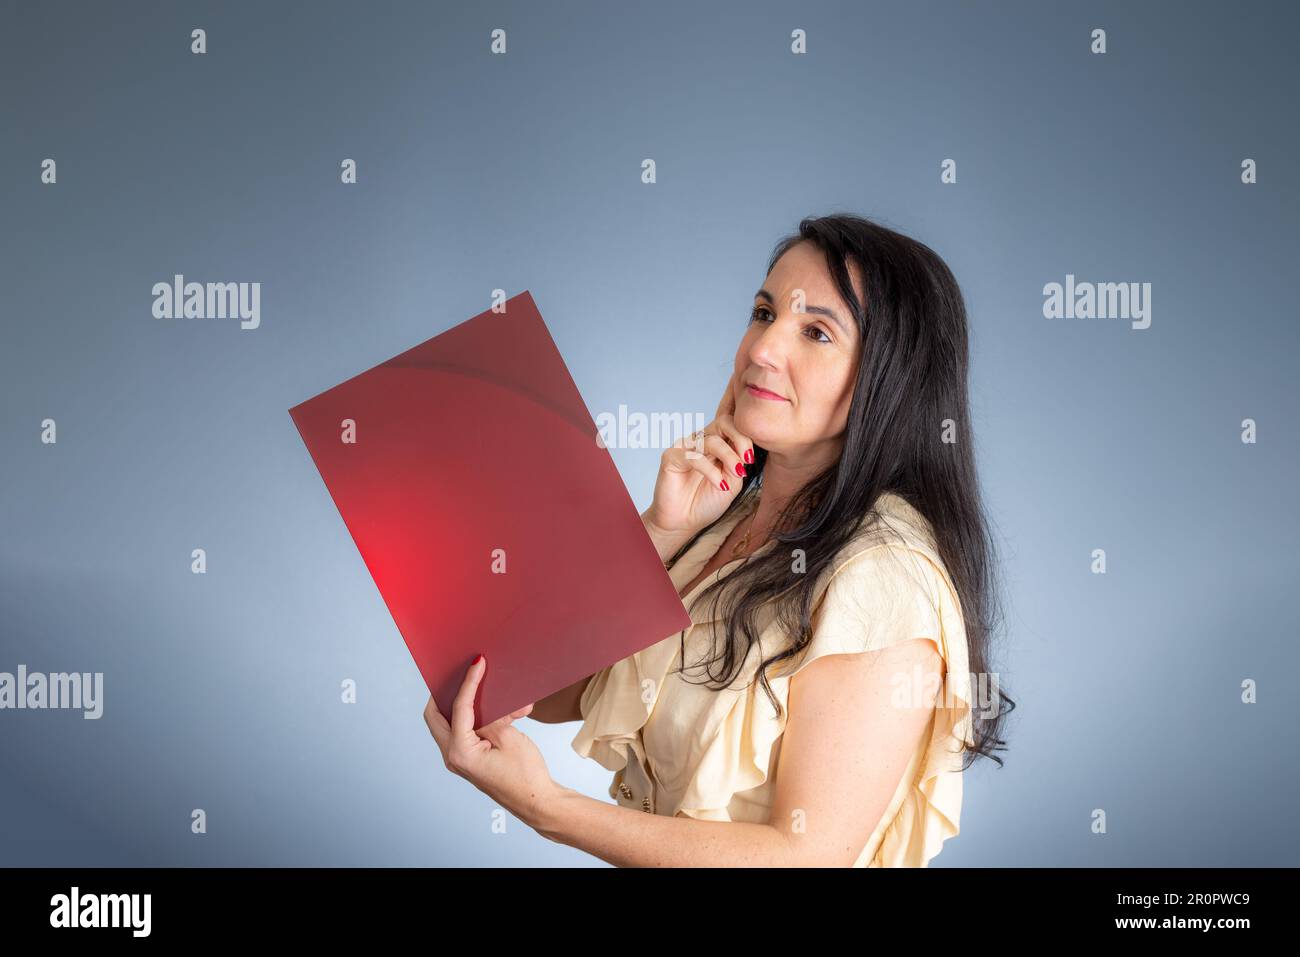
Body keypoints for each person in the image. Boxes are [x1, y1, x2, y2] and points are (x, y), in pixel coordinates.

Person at [423, 212, 1013, 866]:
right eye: (764, 313)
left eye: (816, 330)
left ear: (890, 380)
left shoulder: (884, 576)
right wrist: (662, 526)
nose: (762, 349)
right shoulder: (726, 522)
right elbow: (558, 694)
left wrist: (548, 808)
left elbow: (806, 854)